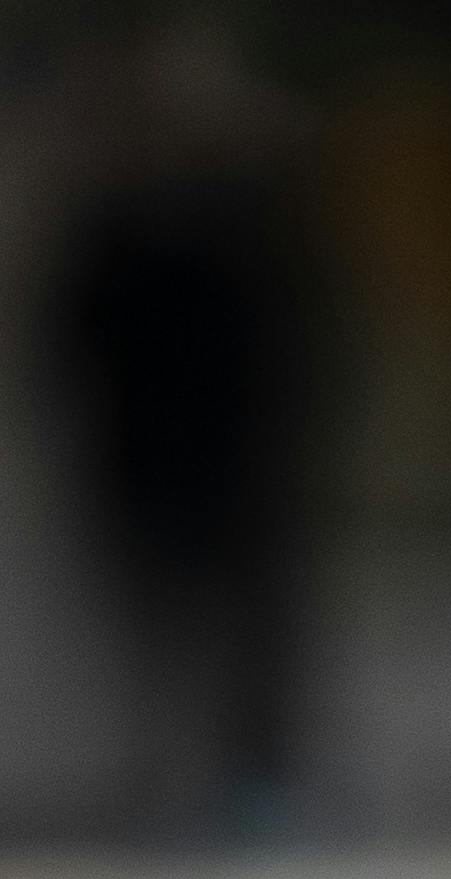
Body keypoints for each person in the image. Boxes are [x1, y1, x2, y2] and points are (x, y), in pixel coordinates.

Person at [34, 20, 332, 836]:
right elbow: (69, 344)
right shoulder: (113, 227)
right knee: (157, 626)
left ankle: (259, 780)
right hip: (141, 457)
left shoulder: (248, 214)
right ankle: (167, 779)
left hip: (238, 454)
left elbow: (295, 337)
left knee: (252, 629)